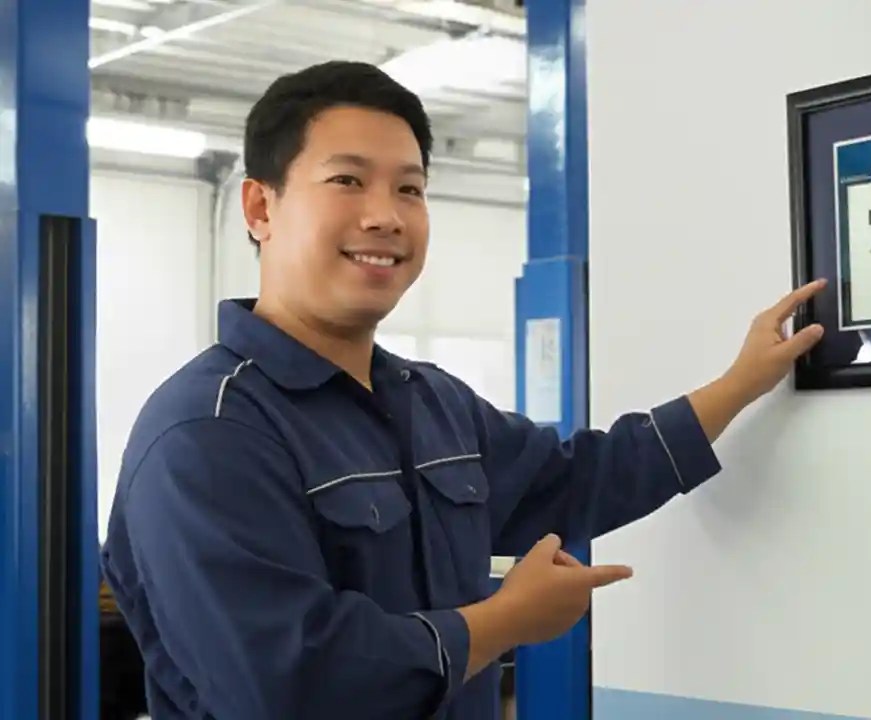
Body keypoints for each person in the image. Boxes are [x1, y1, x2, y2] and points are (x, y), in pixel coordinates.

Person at [99, 60, 827, 720]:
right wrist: (506, 621)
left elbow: (579, 479)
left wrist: (739, 385)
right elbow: (290, 685)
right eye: (348, 180)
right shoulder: (207, 432)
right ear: (261, 208)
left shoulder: (431, 403)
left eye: (409, 188)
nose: (385, 214)